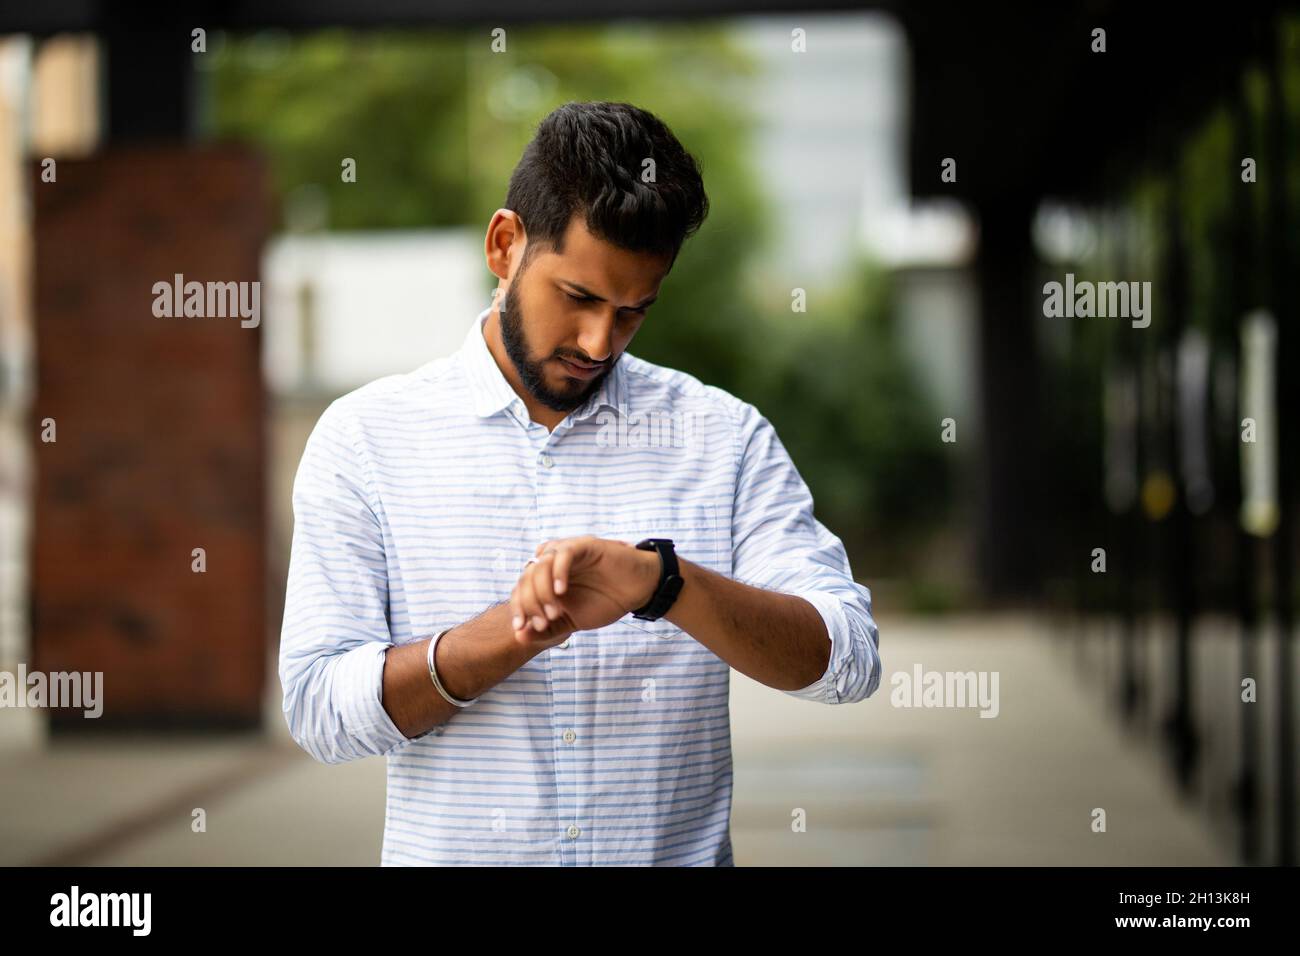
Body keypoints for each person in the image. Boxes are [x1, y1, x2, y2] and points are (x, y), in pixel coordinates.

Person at [278, 101, 882, 866]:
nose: (601, 342)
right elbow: (319, 709)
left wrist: (665, 584)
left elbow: (849, 661)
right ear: (505, 246)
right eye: (580, 298)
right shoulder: (365, 441)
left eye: (633, 312)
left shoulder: (721, 437)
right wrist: (513, 632)